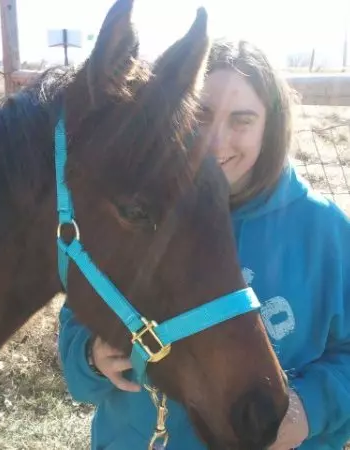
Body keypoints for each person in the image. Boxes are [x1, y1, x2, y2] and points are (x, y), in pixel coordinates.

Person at [57, 39, 350, 450]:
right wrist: (90, 357)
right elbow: (79, 314)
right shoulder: (138, 214)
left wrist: (311, 408)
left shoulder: (328, 234)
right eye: (201, 114)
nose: (216, 141)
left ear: (272, 124)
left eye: (242, 120)